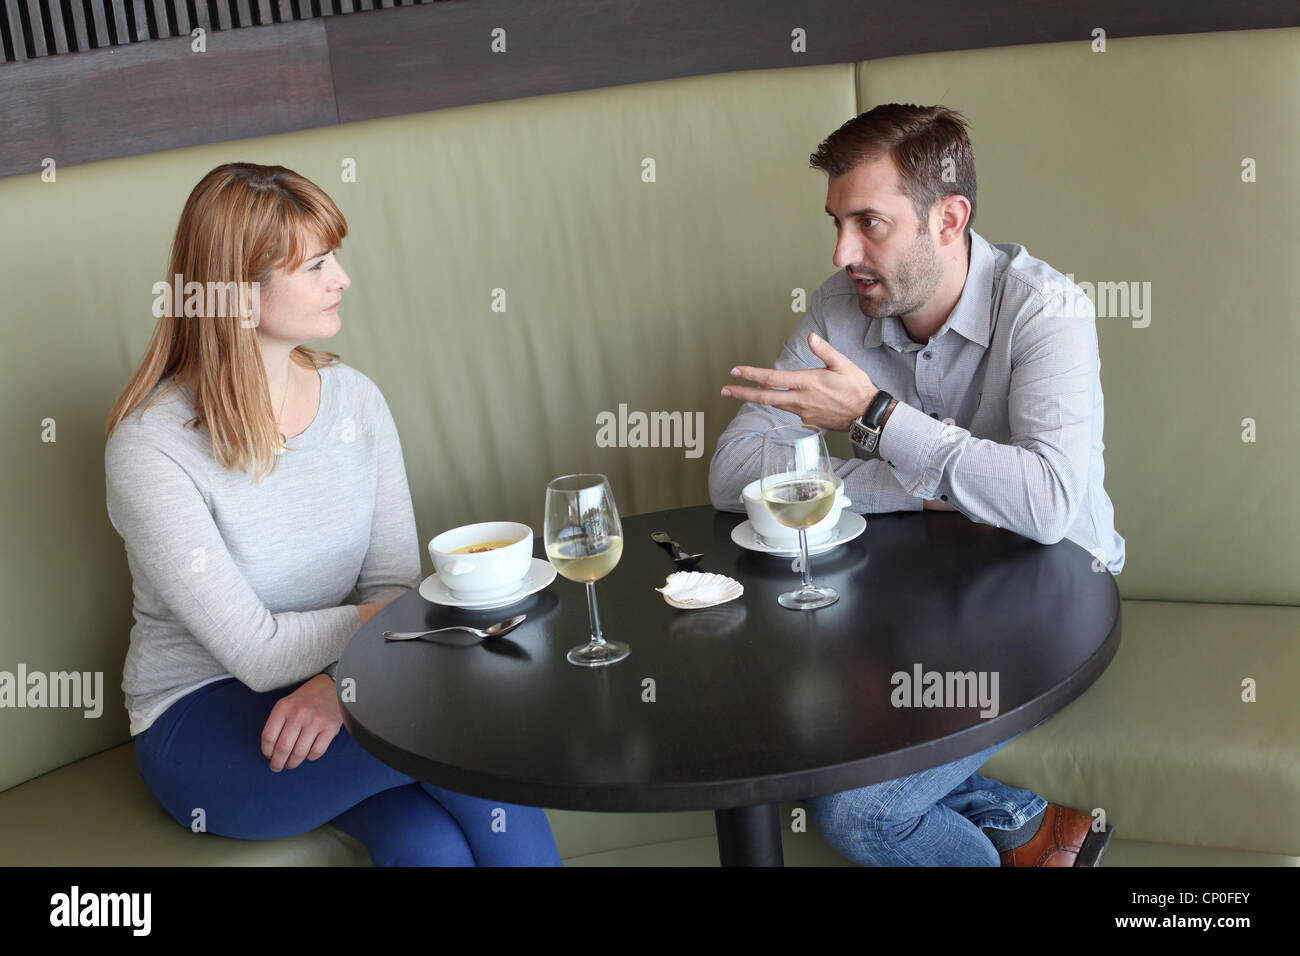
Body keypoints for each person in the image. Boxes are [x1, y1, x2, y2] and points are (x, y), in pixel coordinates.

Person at [104, 163, 561, 866]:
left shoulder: (355, 401)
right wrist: (389, 628)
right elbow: (259, 653)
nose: (341, 278)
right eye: (315, 264)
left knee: (429, 847)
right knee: (470, 729)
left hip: (345, 684)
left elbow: (390, 584)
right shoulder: (150, 449)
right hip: (200, 719)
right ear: (236, 291)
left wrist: (336, 686)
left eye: (334, 256)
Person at [708, 105, 1125, 866]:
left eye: (870, 222)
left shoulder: (1045, 309)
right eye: (836, 222)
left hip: (1053, 595)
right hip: (913, 610)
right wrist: (916, 486)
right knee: (791, 733)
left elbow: (1048, 504)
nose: (842, 251)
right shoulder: (840, 308)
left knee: (859, 811)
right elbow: (734, 473)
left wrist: (874, 414)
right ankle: (1030, 827)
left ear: (949, 218)